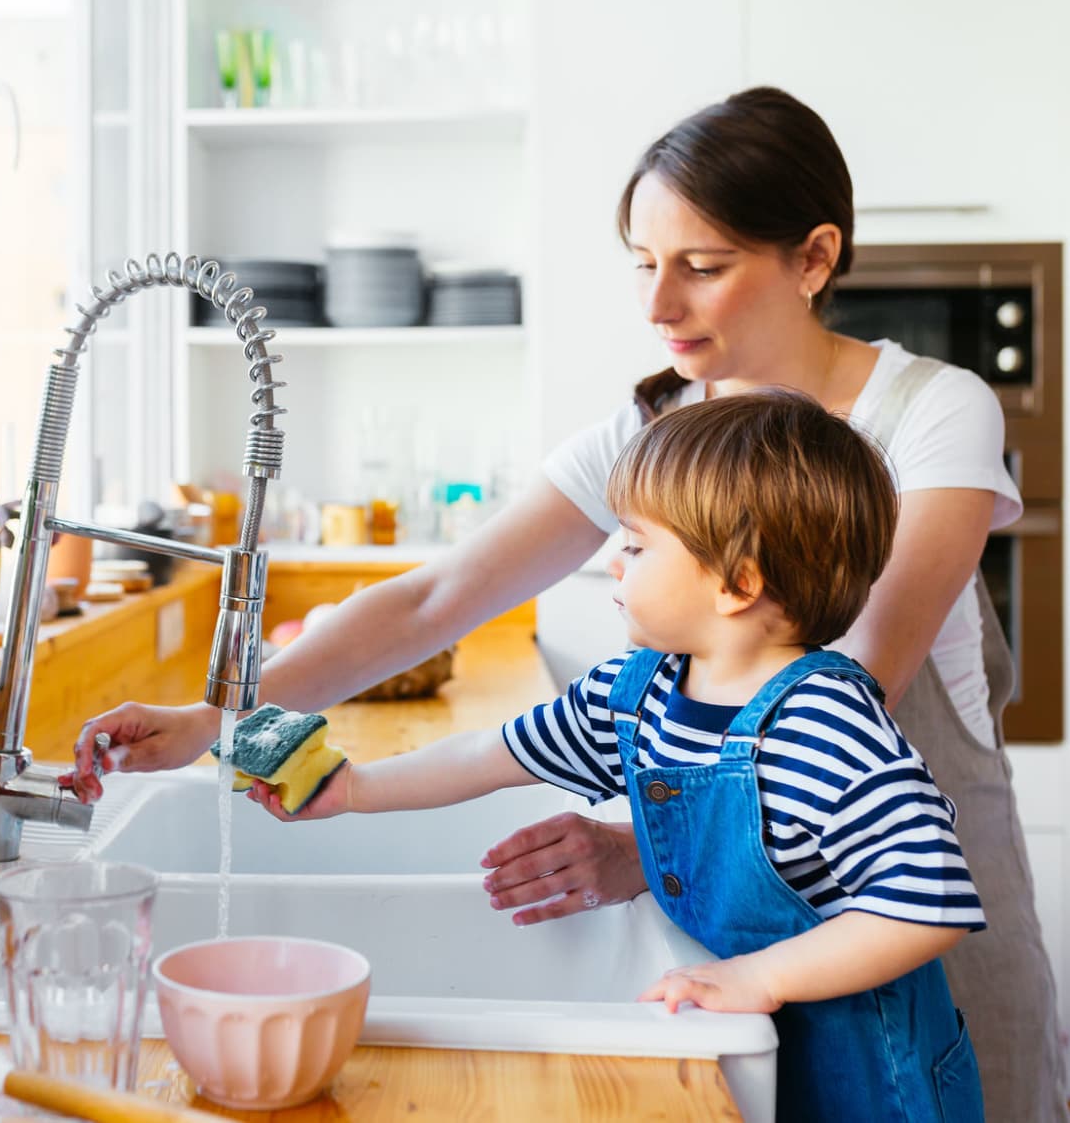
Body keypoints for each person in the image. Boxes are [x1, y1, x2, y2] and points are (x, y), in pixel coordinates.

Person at [72, 87, 1066, 1121]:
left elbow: (854, 678)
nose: (656, 306)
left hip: (912, 918)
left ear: (813, 259)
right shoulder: (656, 442)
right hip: (737, 942)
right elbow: (437, 601)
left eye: (704, 267)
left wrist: (660, 844)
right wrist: (220, 721)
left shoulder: (931, 412)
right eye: (644, 263)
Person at [246, 390, 984, 1121]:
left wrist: (761, 977)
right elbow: (488, 753)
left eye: (635, 545)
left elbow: (928, 905)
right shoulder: (638, 693)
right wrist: (357, 787)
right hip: (756, 1044)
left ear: (738, 582)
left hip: (876, 1083)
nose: (611, 561)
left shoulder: (825, 724)